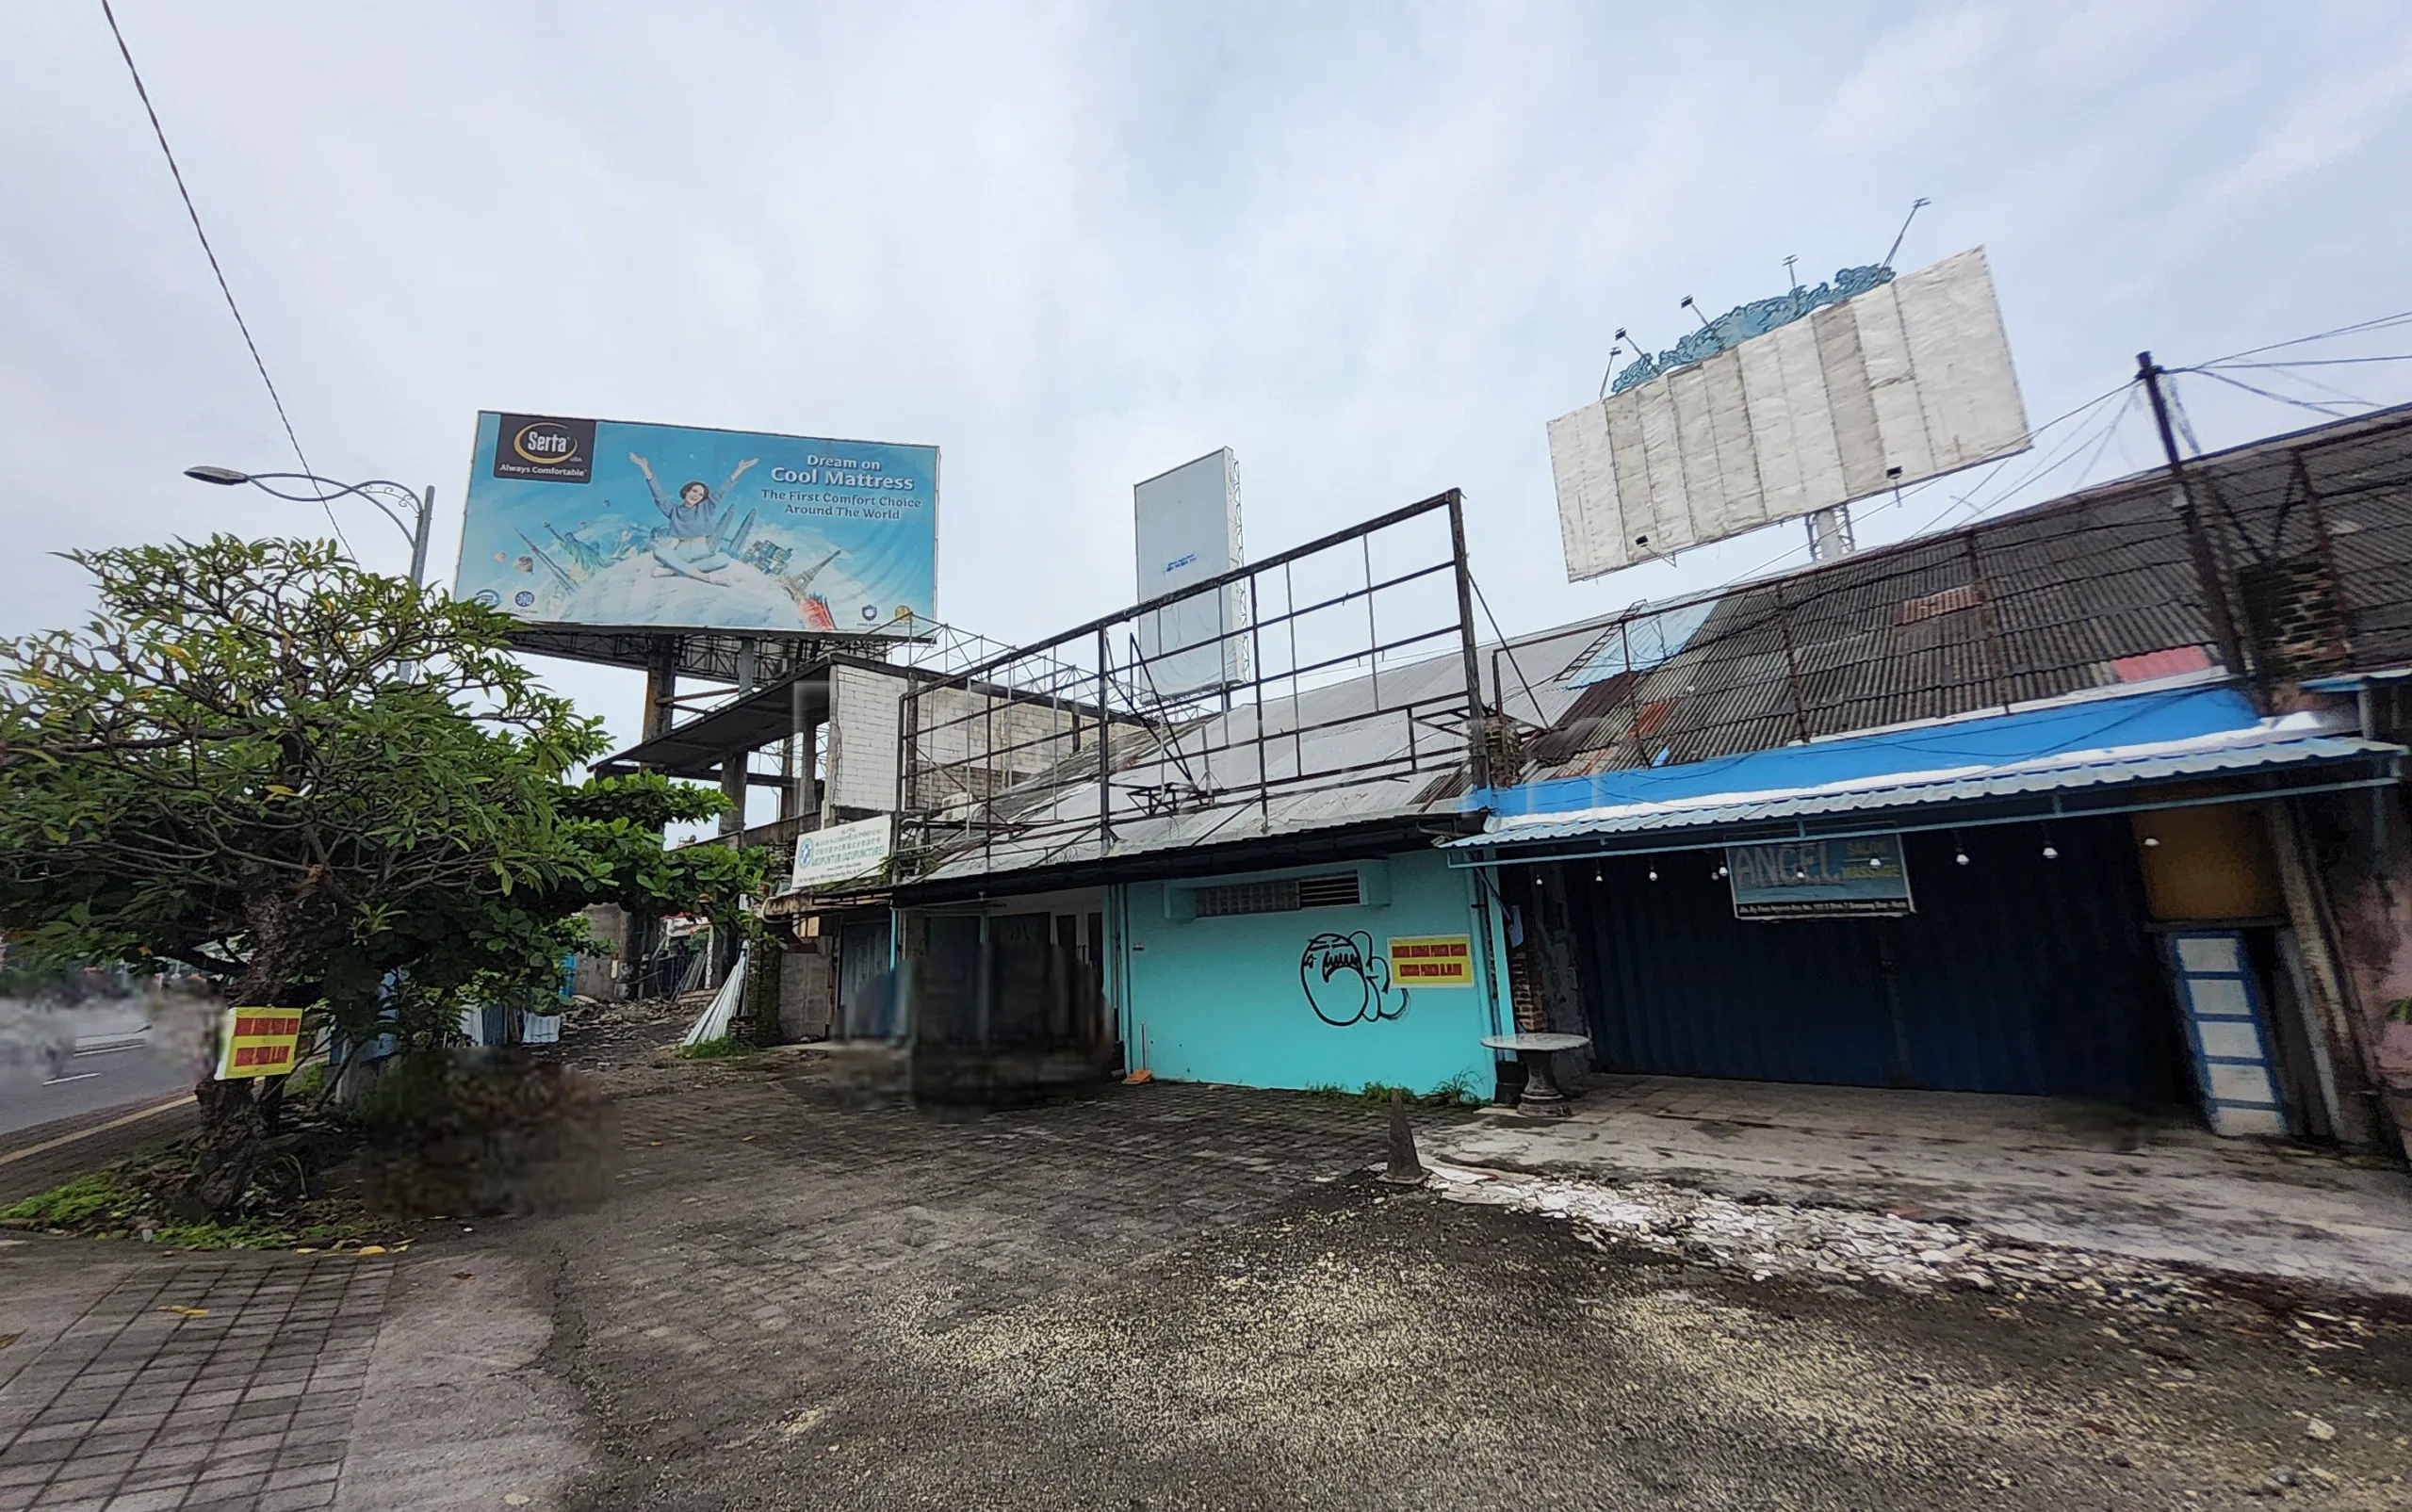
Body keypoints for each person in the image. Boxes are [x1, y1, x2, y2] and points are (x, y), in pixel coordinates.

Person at [630, 452, 758, 582]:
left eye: (700, 494)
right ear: (686, 491)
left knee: (724, 559)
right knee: (659, 552)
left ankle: (672, 570)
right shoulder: (673, 511)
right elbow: (658, 495)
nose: (696, 495)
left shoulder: (705, 508)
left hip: (702, 552)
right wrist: (645, 468)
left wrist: (739, 470)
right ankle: (704, 577)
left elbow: (722, 490)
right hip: (681, 552)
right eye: (694, 491)